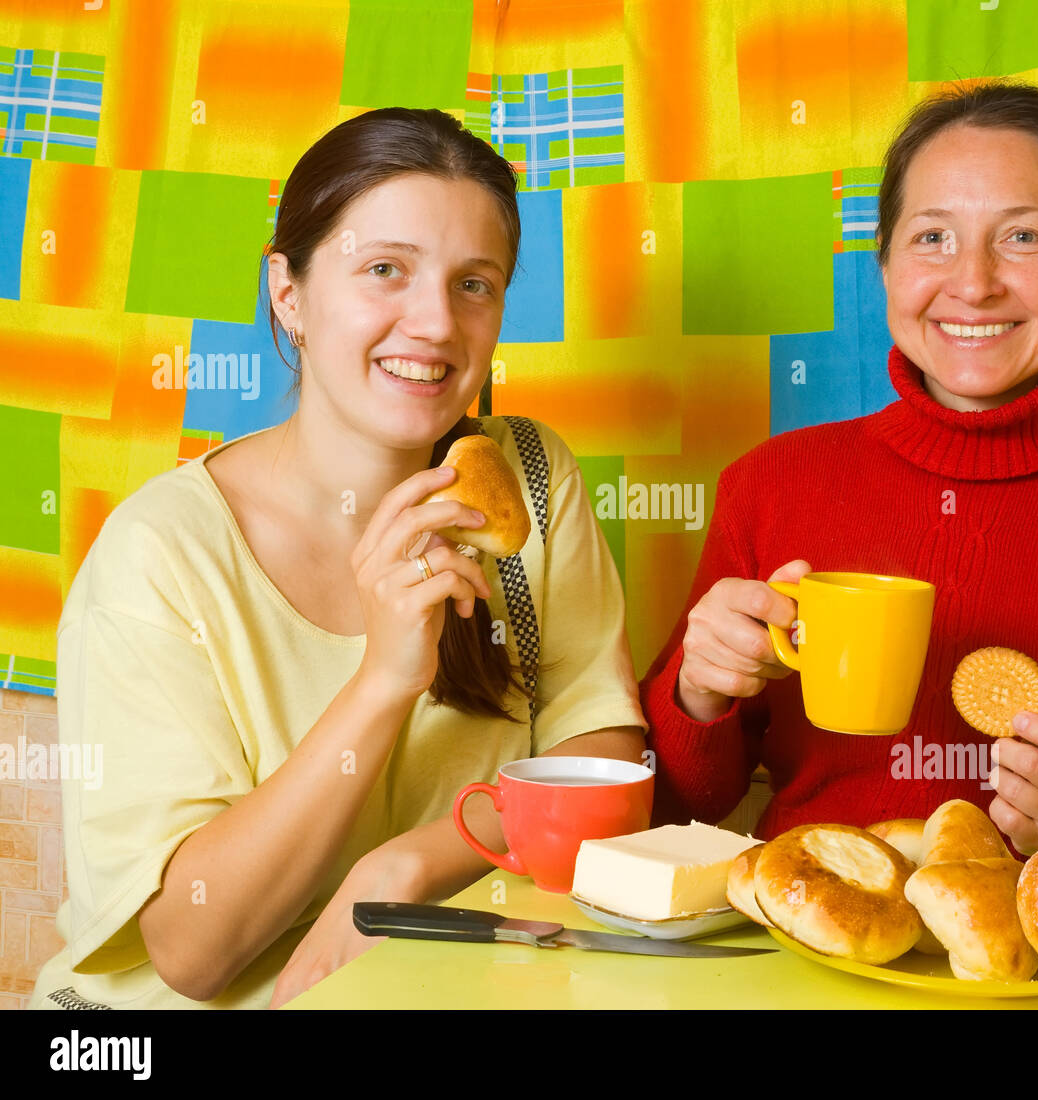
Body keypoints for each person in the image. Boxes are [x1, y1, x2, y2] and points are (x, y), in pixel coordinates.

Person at [30, 108, 646, 1010]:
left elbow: (605, 770)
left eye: (474, 284)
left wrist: (397, 872)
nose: (434, 323)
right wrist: (385, 678)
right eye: (384, 270)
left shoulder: (527, 480)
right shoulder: (160, 556)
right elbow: (192, 951)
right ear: (289, 292)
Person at [640, 83, 1038, 855]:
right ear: (884, 267)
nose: (973, 282)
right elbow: (677, 808)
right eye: (933, 237)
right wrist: (696, 692)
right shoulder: (769, 487)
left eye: (1024, 237)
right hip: (807, 945)